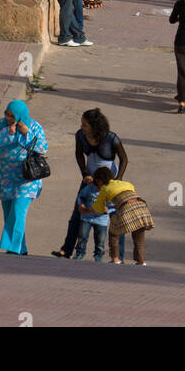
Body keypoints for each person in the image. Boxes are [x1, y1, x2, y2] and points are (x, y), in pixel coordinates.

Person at [52, 108, 128, 260]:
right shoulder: (81, 135)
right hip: (90, 180)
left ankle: (118, 256)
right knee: (77, 213)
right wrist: (84, 173)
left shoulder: (111, 138)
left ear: (95, 126)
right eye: (82, 123)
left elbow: (124, 159)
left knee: (115, 217)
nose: (82, 127)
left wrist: (117, 180)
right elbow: (79, 154)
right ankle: (67, 249)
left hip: (109, 181)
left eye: (85, 125)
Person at [0, 100, 49, 255]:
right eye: (7, 114)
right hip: (6, 179)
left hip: (26, 179)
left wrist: (26, 133)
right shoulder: (1, 125)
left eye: (12, 116)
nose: (9, 118)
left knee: (18, 213)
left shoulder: (33, 126)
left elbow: (42, 148)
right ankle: (21, 249)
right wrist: (8, 134)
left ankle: (12, 249)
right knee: (9, 215)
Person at [84, 166, 154, 265]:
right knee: (139, 236)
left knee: (114, 232)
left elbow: (98, 208)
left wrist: (96, 208)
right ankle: (140, 261)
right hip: (141, 207)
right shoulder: (126, 183)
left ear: (99, 181)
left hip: (127, 209)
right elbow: (125, 195)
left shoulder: (104, 188)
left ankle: (115, 259)